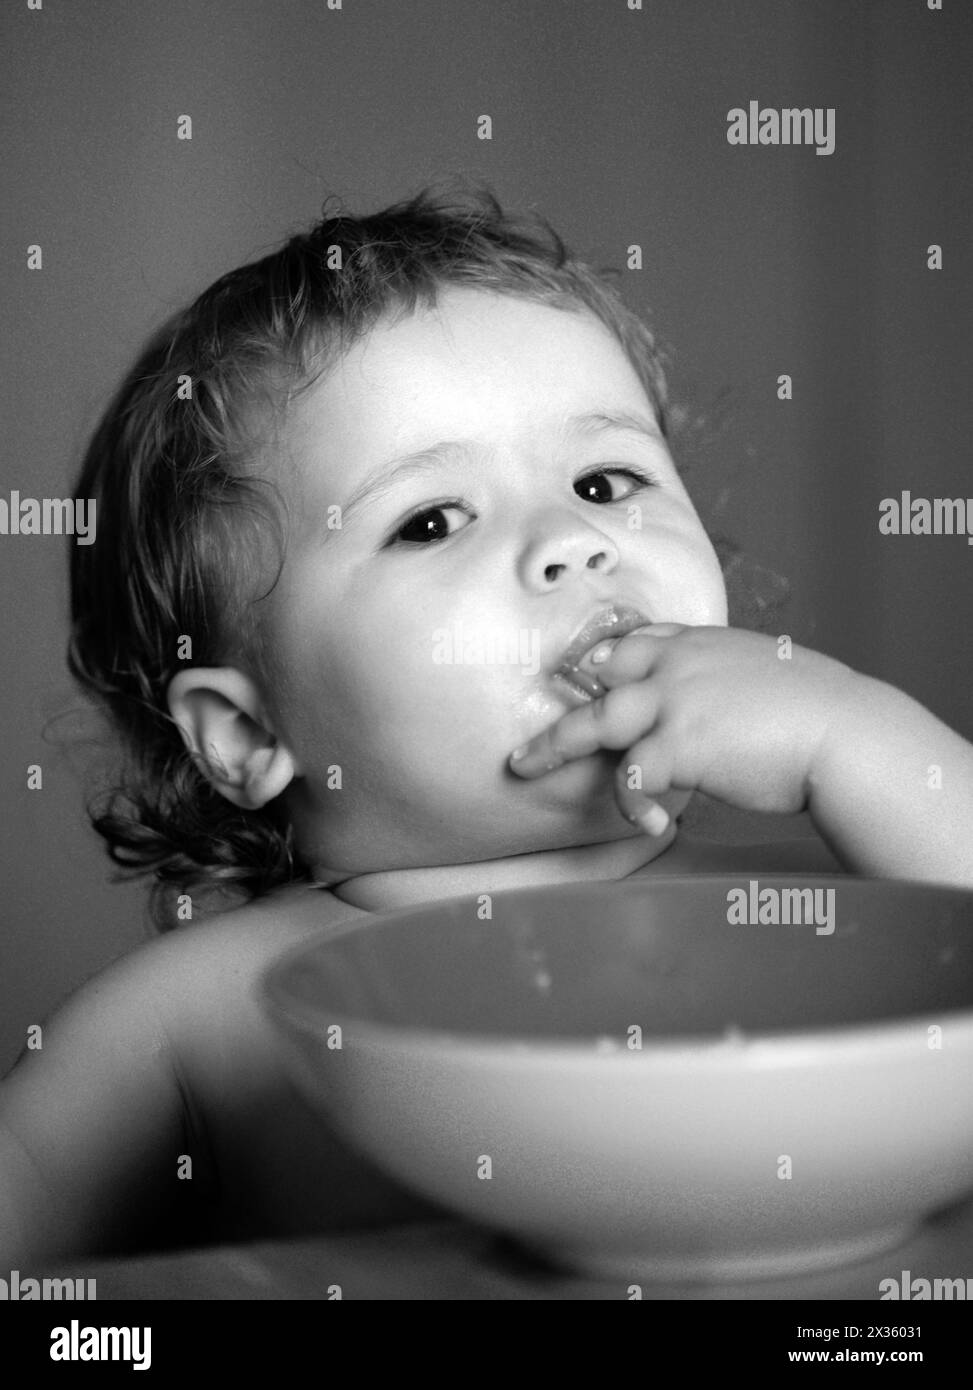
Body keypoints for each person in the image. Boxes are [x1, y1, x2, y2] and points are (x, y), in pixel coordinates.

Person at [3, 184, 972, 1269]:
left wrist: (857, 737)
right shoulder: (199, 1015)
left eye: (606, 481)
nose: (573, 540)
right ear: (242, 731)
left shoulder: (826, 907)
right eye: (432, 519)